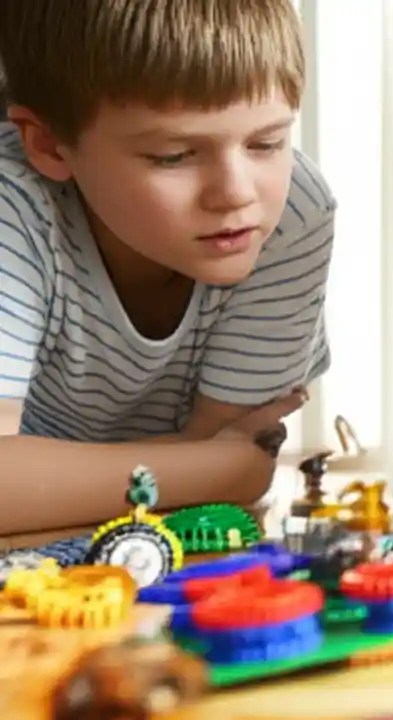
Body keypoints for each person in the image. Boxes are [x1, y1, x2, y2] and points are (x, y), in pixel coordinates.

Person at [0, 0, 334, 535]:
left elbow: (230, 468)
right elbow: (227, 468)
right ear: (48, 144)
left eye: (267, 143)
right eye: (173, 156)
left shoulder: (296, 213)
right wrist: (213, 467)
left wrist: (217, 467)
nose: (236, 193)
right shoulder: (11, 206)